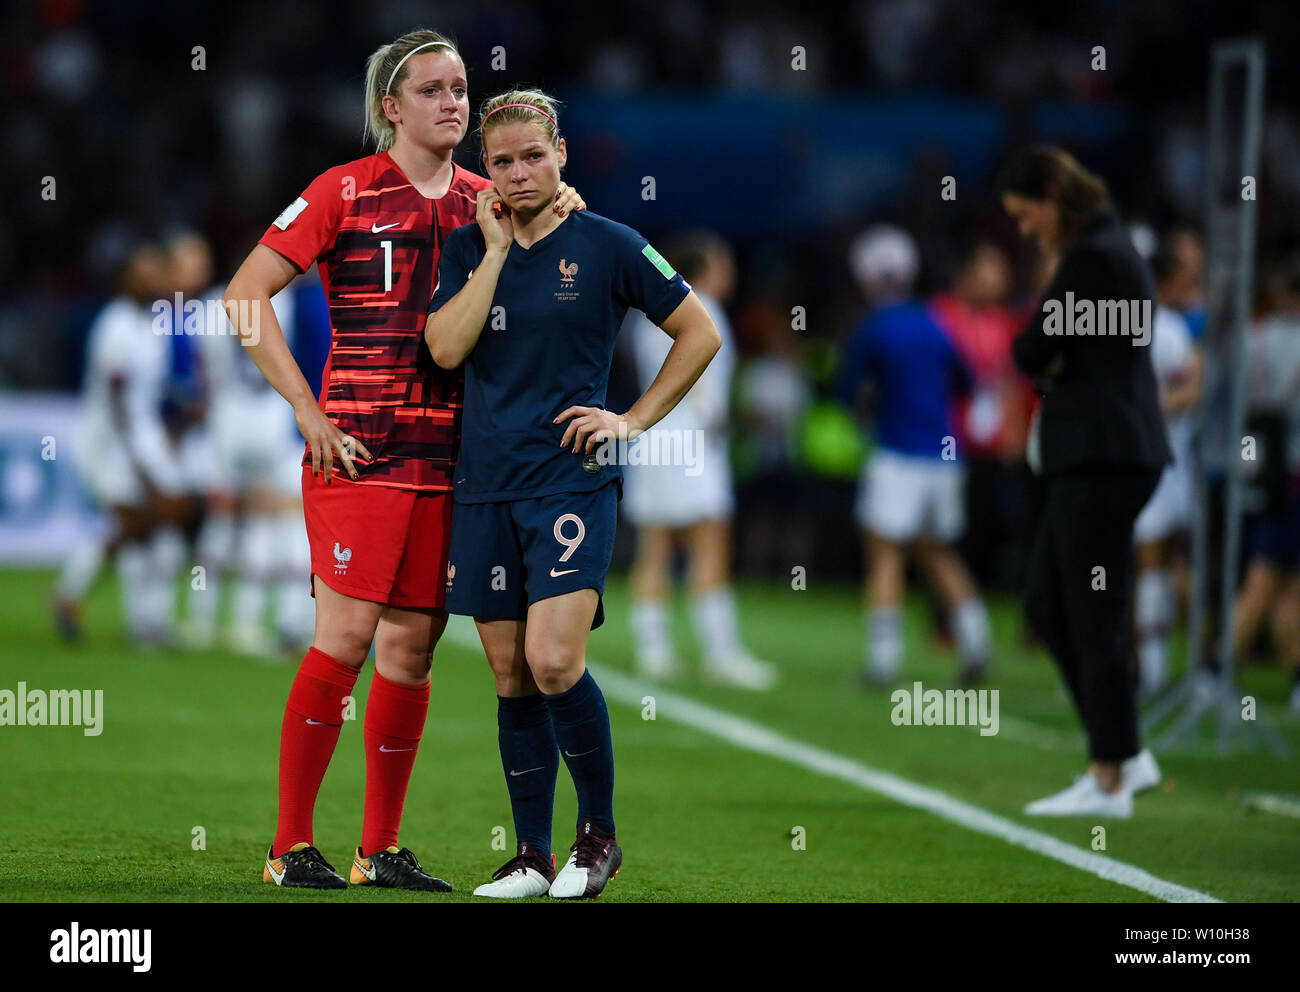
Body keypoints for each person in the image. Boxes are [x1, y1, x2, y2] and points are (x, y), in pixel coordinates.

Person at [223, 30, 586, 891]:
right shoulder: (342, 190)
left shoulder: (484, 197)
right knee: (344, 639)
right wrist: (305, 409)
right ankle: (287, 848)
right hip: (360, 452)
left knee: (413, 654)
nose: (453, 103)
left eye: (460, 88)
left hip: (451, 463)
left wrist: (559, 208)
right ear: (391, 105)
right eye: (432, 89)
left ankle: (378, 850)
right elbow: (244, 297)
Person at [425, 89, 721, 898]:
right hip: (484, 485)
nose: (520, 173)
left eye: (533, 156)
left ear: (562, 154)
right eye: (502, 161)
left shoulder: (610, 243)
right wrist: (489, 253)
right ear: (484, 171)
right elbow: (445, 350)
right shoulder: (463, 247)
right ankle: (530, 854)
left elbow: (700, 333)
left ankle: (599, 839)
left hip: (568, 479)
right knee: (509, 675)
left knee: (554, 660)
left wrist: (630, 419)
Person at [1000, 146, 1171, 818]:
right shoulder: (1112, 248)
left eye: (1025, 214)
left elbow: (1029, 348)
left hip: (1102, 457)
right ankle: (1125, 753)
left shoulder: (1094, 256)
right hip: (1111, 453)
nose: (1023, 229)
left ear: (1052, 194)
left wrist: (1051, 351)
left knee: (1091, 614)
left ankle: (1111, 777)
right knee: (1048, 604)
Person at [622, 230, 777, 690]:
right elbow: (703, 383)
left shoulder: (648, 313)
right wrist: (723, 426)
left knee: (655, 549)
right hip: (691, 443)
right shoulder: (703, 307)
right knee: (710, 544)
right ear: (704, 268)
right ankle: (721, 654)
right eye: (723, 264)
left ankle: (653, 651)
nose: (729, 273)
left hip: (649, 440)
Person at [839, 225, 993, 688]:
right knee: (937, 552)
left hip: (897, 453)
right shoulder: (934, 321)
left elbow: (847, 389)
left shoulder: (874, 325)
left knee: (885, 553)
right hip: (946, 456)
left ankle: (883, 662)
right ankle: (977, 642)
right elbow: (968, 383)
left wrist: (871, 418)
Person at [53, 239, 186, 646]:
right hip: (113, 440)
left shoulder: (152, 325)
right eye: (143, 271)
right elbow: (115, 401)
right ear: (125, 277)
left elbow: (151, 388)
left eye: (155, 270)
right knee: (136, 522)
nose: (152, 278)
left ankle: (141, 619)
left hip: (142, 434)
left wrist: (185, 407)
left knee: (149, 526)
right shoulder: (115, 325)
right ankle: (130, 616)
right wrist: (138, 462)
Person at [1131, 233, 1202, 698]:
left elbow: (1190, 389)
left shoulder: (1170, 329)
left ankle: (1158, 671)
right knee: (1155, 564)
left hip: (1162, 463)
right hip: (1133, 463)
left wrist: (1141, 407)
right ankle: (1200, 662)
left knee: (1156, 562)